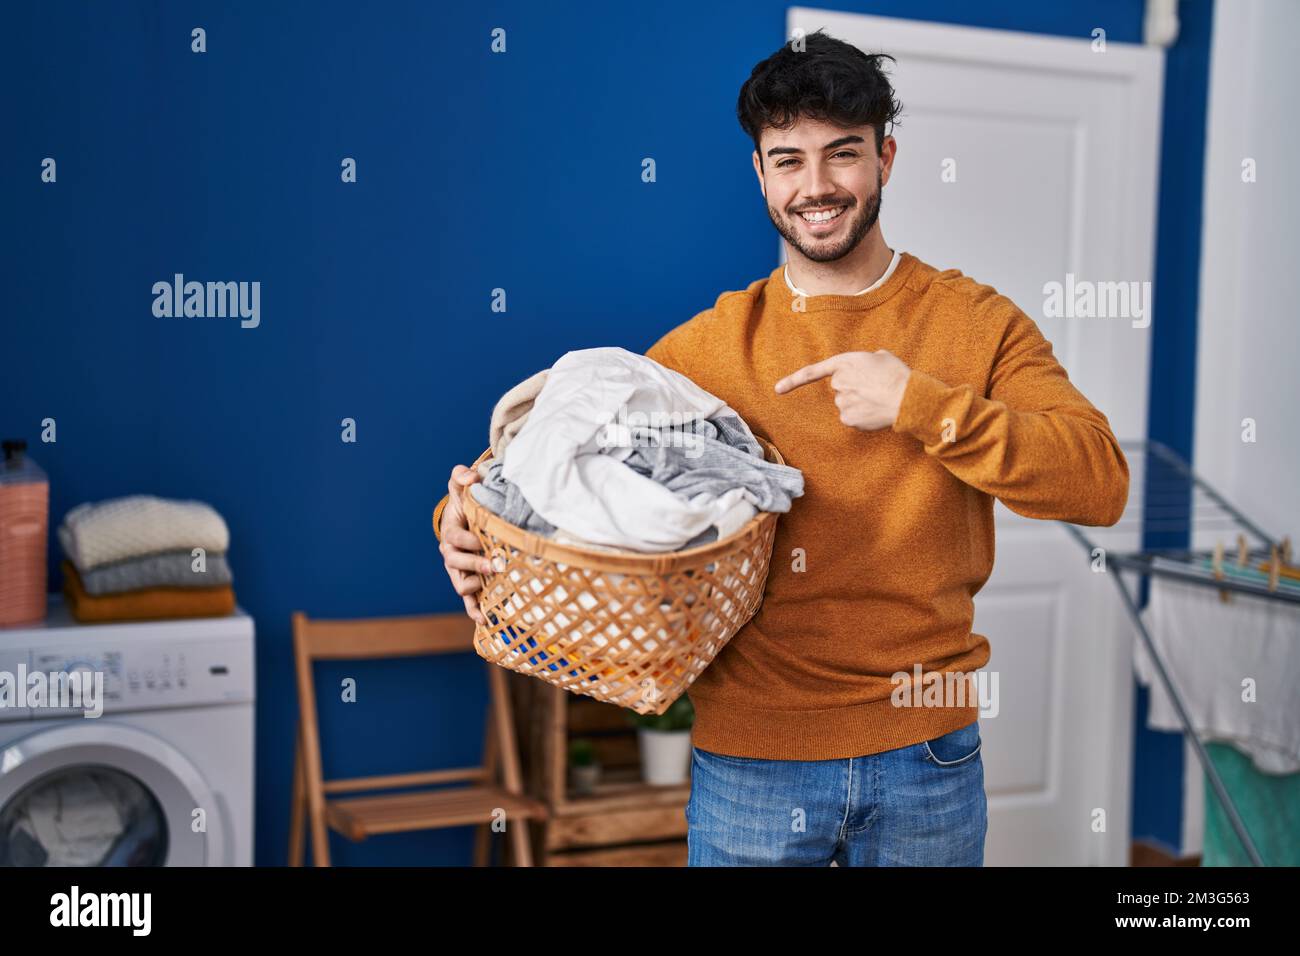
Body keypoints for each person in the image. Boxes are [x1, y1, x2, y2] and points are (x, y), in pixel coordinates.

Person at [433, 29, 1128, 866]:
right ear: (760, 173)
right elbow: (559, 467)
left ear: (887, 158)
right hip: (752, 763)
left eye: (843, 154)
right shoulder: (706, 351)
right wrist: (461, 517)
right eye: (788, 160)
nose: (818, 186)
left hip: (929, 751)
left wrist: (919, 403)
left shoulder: (976, 324)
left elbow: (1099, 483)